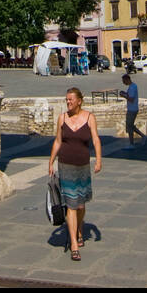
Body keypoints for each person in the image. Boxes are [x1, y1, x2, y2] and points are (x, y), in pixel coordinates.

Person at [48, 87, 101, 261]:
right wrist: (51, 161)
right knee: (70, 205)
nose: (68, 102)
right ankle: (73, 244)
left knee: (80, 205)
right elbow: (57, 141)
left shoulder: (89, 117)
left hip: (83, 166)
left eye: (71, 99)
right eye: (66, 99)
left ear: (79, 100)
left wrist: (98, 160)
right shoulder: (62, 118)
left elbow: (95, 139)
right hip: (65, 165)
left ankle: (79, 227)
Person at [118, 74, 146, 146]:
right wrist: (125, 93)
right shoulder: (132, 86)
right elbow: (129, 95)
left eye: (124, 81)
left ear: (127, 79)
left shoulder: (132, 87)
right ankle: (143, 136)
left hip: (132, 109)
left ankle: (131, 143)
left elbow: (131, 99)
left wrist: (123, 95)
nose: (123, 82)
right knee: (130, 125)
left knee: (129, 127)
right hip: (132, 108)